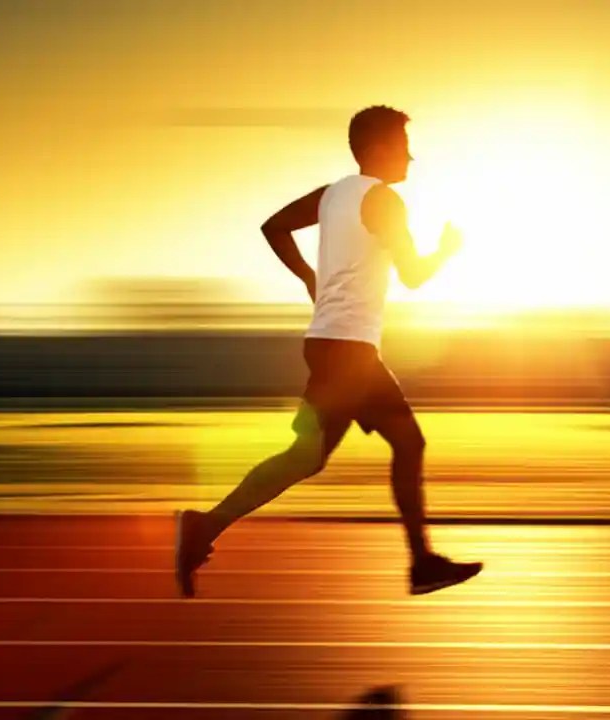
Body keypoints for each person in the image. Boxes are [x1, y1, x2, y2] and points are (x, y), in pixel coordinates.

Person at [175, 105, 482, 597]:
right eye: (404, 145)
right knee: (406, 444)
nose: (412, 156)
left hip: (328, 344)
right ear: (379, 147)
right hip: (351, 352)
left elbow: (273, 226)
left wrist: (308, 276)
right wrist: (448, 250)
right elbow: (413, 275)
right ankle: (421, 563)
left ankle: (203, 528)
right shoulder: (384, 201)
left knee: (305, 458)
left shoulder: (331, 195)